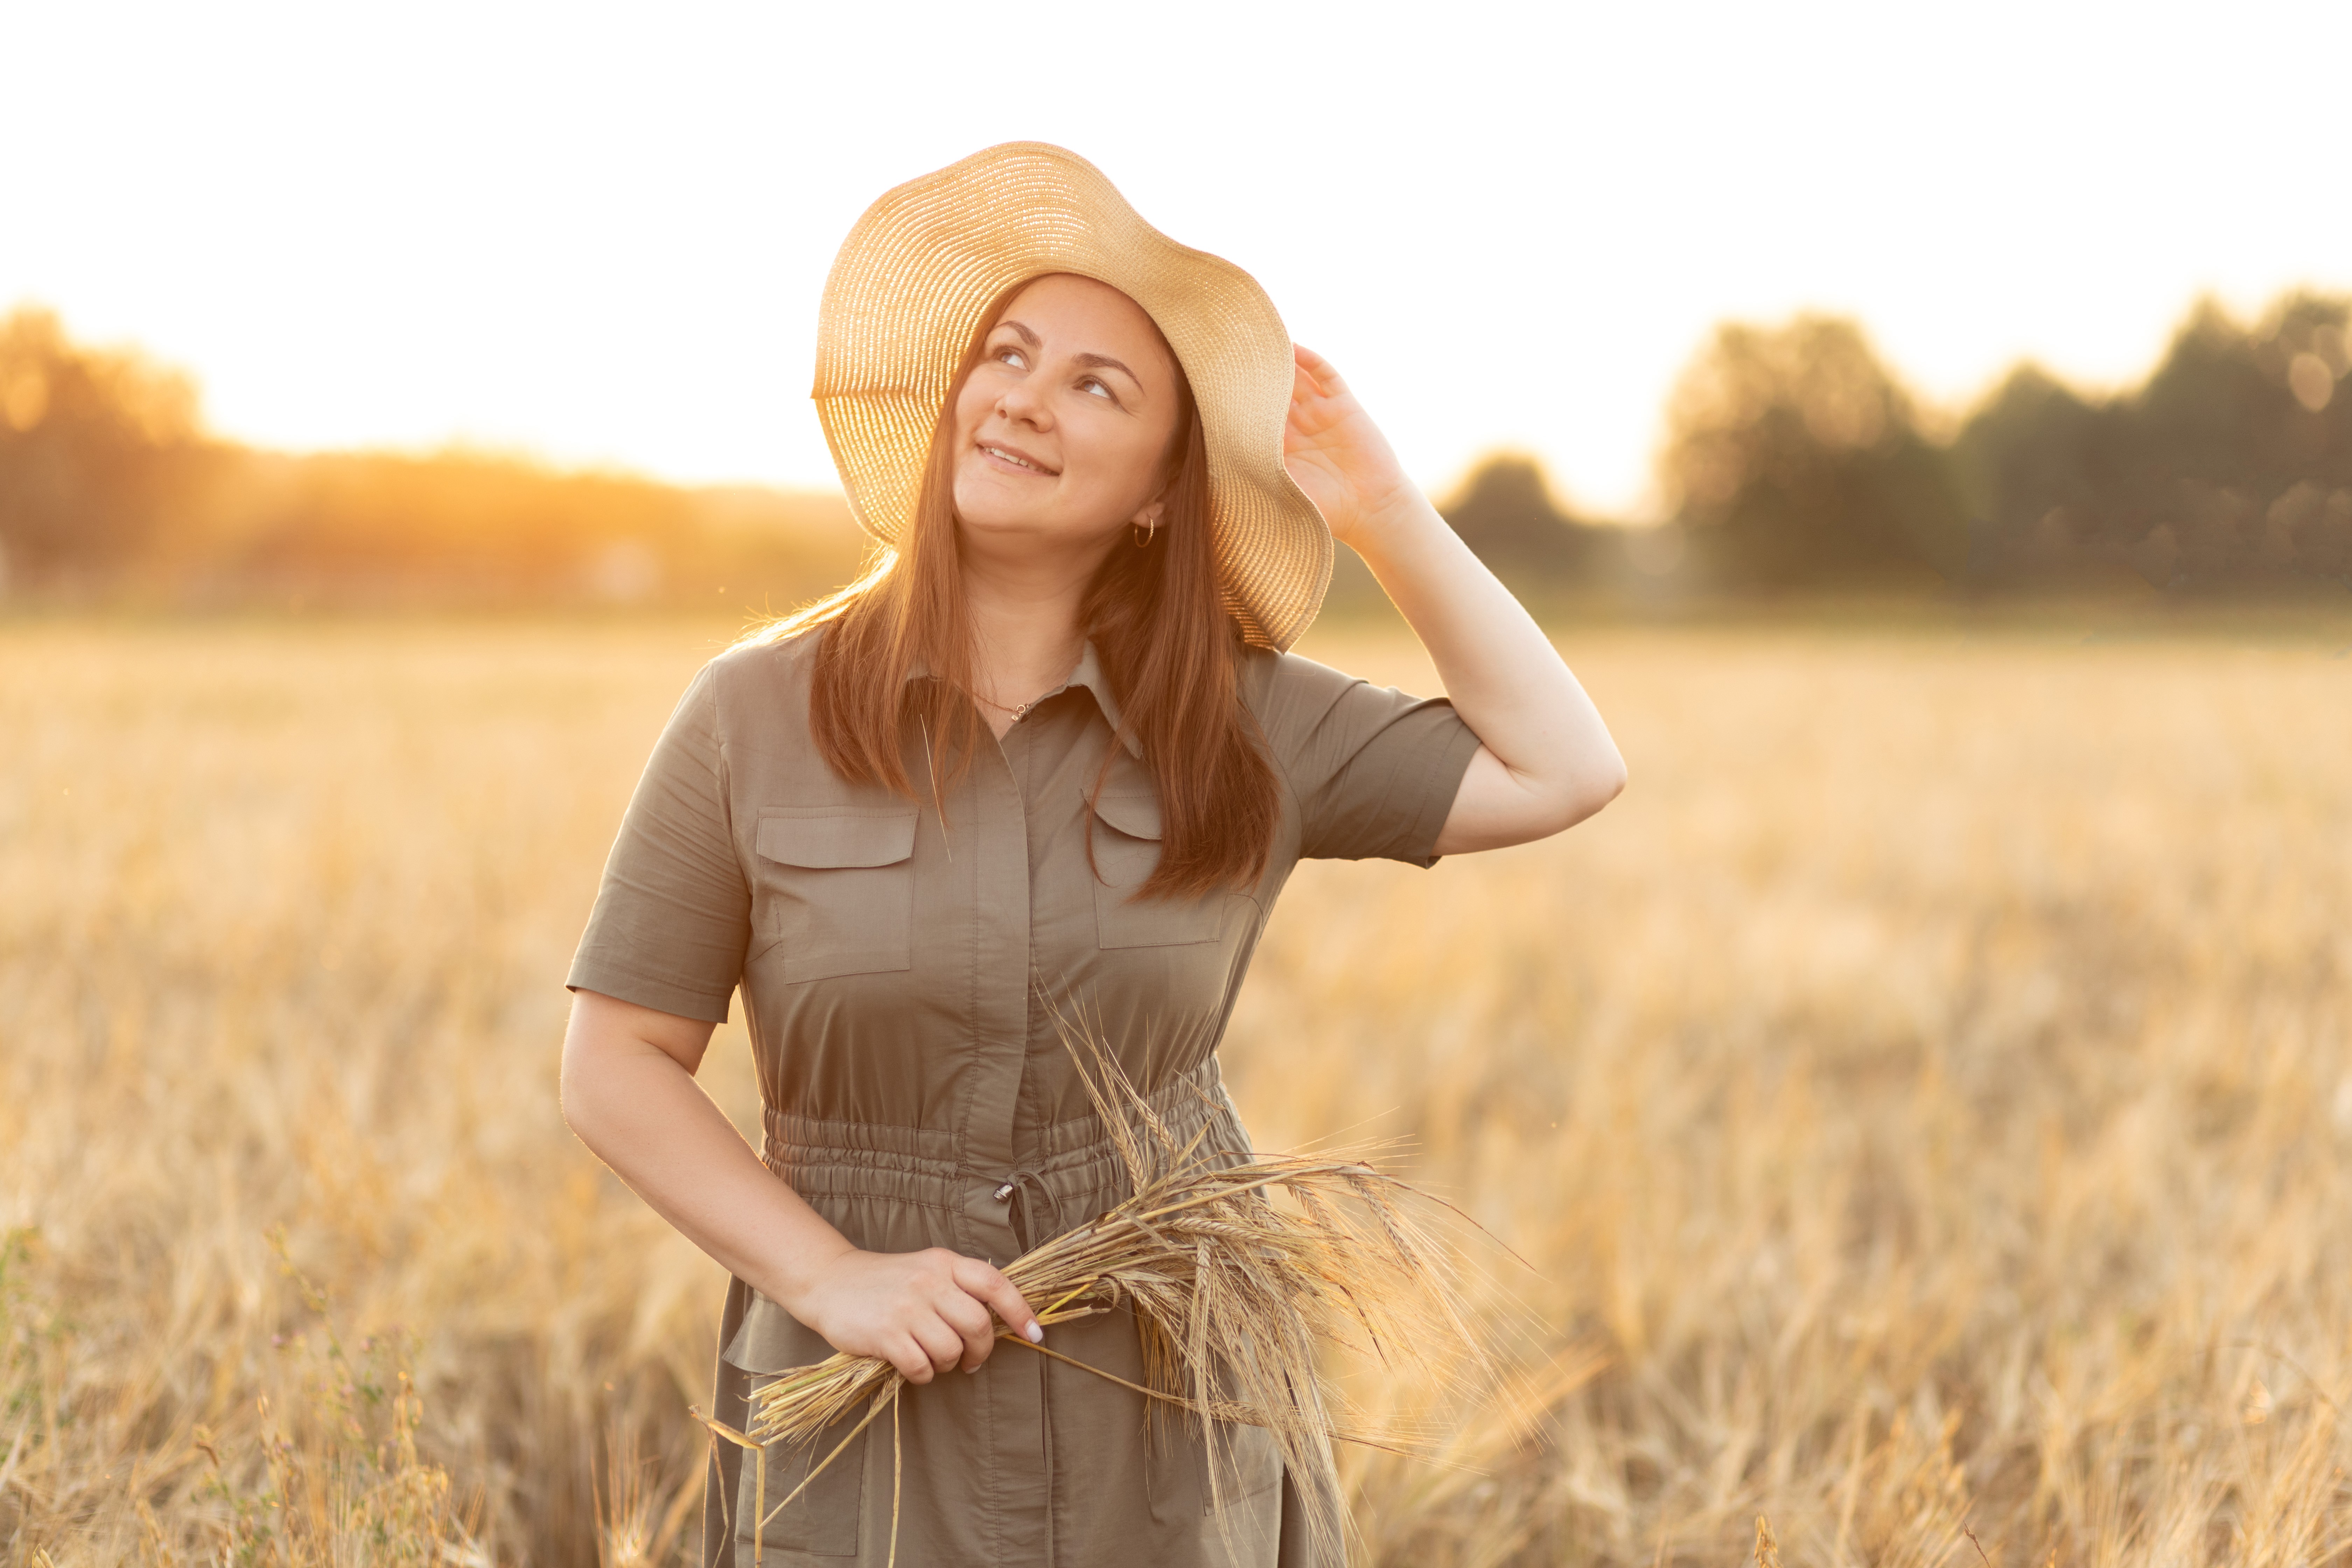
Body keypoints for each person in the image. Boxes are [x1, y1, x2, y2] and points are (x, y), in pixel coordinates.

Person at [559, 142, 1625, 1568]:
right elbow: (615, 1057)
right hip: (870, 1418)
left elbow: (1565, 766)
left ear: (1161, 494)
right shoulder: (755, 714)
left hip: (1173, 1399)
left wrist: (1381, 507)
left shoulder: (1241, 723)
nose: (1022, 397)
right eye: (1009, 355)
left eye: (1094, 386)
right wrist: (834, 1276)